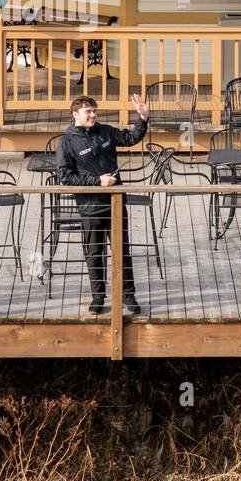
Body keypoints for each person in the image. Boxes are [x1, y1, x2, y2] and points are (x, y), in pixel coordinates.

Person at [56, 94, 149, 316]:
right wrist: (97, 181)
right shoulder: (67, 142)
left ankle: (128, 295)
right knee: (94, 252)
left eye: (94, 111)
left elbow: (130, 138)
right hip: (90, 205)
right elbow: (66, 177)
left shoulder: (105, 131)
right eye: (88, 111)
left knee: (122, 250)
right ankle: (98, 296)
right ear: (75, 114)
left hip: (116, 201)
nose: (93, 115)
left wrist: (143, 118)